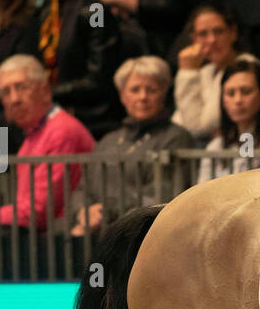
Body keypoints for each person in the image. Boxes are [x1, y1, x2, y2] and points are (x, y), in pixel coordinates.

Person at [0, 53, 92, 230]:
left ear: (45, 91)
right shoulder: (34, 133)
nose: (14, 99)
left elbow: (37, 213)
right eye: (6, 92)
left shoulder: (61, 131)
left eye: (22, 87)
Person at [71, 55, 196, 236]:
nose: (143, 97)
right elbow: (82, 189)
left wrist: (104, 213)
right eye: (135, 89)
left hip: (145, 236)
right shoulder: (107, 141)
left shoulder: (176, 137)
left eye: (151, 89)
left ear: (164, 92)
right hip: (96, 232)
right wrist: (83, 211)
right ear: (122, 96)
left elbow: (160, 196)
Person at [31, 0, 123, 137]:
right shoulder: (43, 9)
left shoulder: (95, 10)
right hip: (51, 112)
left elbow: (100, 77)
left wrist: (47, 93)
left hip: (90, 117)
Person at [170, 3, 254, 143]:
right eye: (203, 34)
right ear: (194, 39)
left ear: (233, 33)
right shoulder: (206, 71)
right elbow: (178, 122)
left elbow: (197, 129)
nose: (212, 40)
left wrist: (188, 73)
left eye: (218, 31)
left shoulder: (246, 66)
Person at [202, 56, 260, 181]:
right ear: (223, 100)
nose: (238, 100)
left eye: (246, 91)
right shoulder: (215, 147)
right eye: (231, 93)